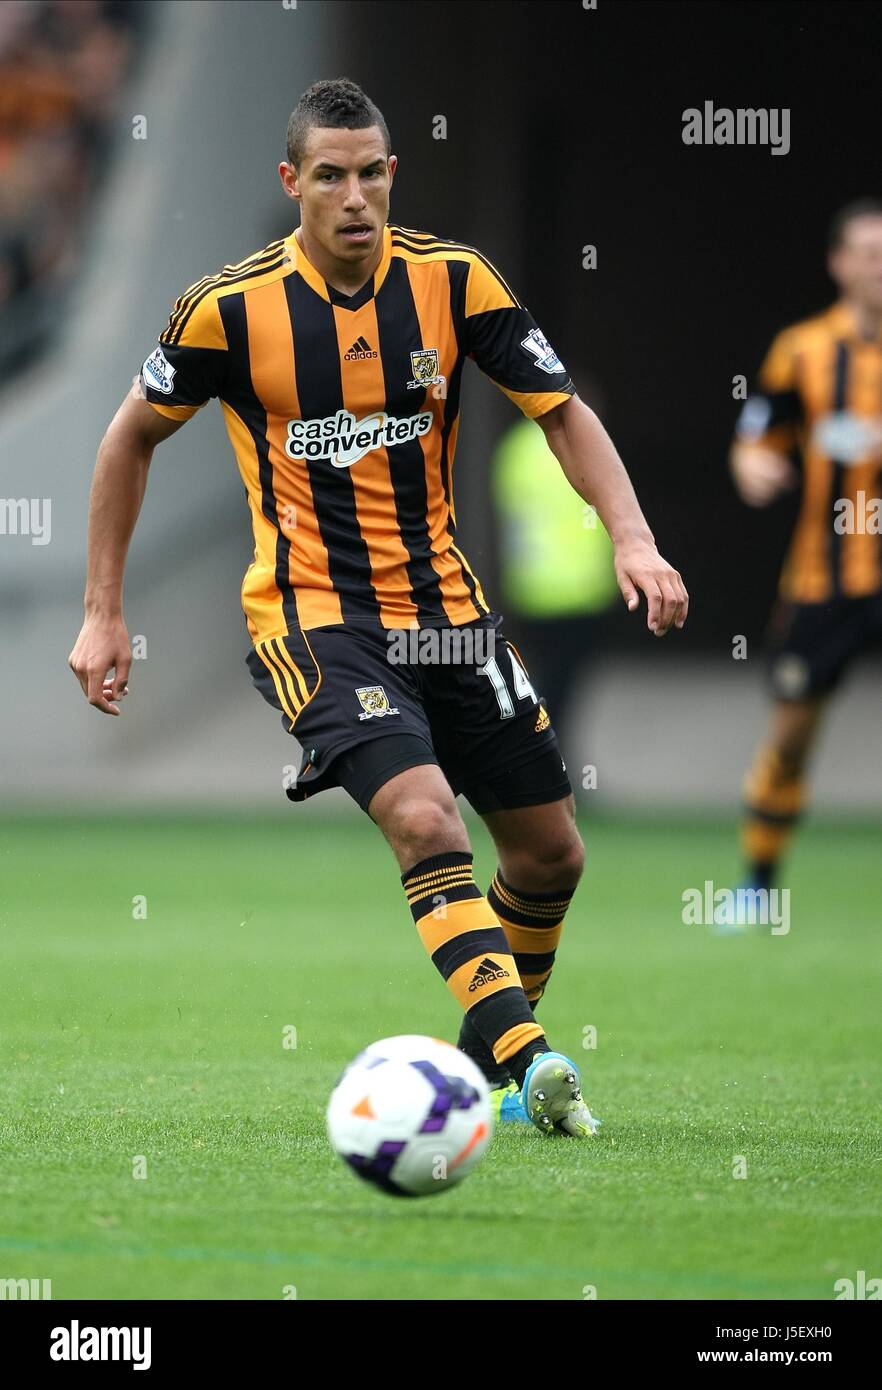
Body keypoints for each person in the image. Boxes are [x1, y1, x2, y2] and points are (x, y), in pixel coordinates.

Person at [69, 78, 688, 1137]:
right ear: (291, 182)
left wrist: (631, 534)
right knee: (422, 814)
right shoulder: (226, 310)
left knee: (550, 854)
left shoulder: (455, 282)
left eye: (370, 174)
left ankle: (474, 1071)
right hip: (313, 618)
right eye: (329, 176)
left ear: (392, 174)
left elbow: (561, 411)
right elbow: (130, 435)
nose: (354, 197)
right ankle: (534, 1060)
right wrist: (102, 609)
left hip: (447, 611)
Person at [731, 198, 882, 900]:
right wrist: (752, 466)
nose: (879, 266)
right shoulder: (803, 350)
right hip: (825, 575)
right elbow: (754, 442)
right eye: (868, 252)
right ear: (840, 264)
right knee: (791, 737)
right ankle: (758, 885)